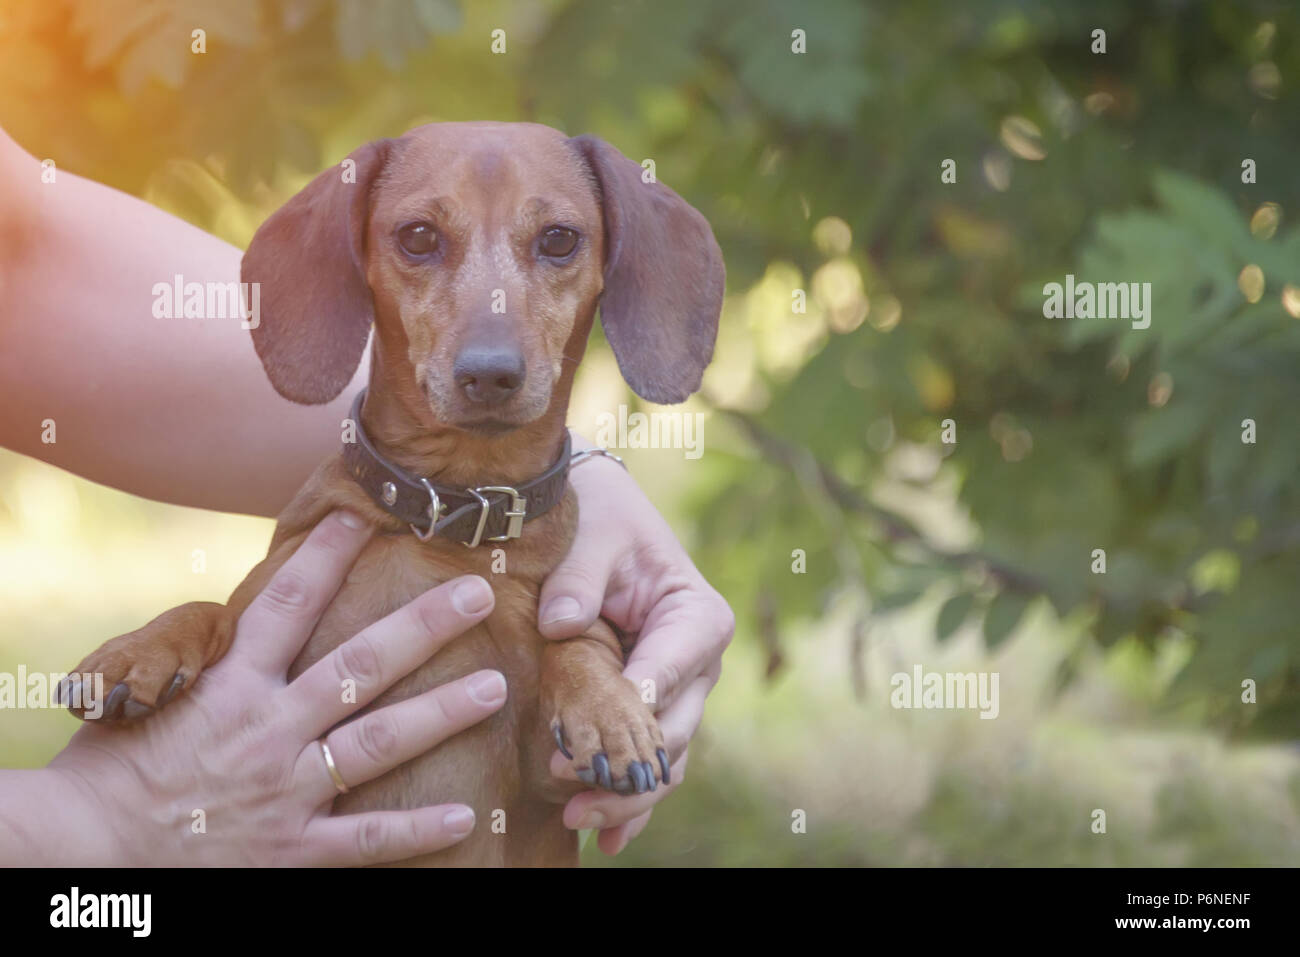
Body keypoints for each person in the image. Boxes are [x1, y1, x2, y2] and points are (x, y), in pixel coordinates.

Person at [0, 127, 734, 863]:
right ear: (358, 257)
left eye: (556, 244)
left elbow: (22, 245)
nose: (491, 352)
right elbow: (250, 660)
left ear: (613, 262)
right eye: (420, 241)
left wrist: (587, 670)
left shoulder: (565, 595)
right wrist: (109, 797)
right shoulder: (327, 524)